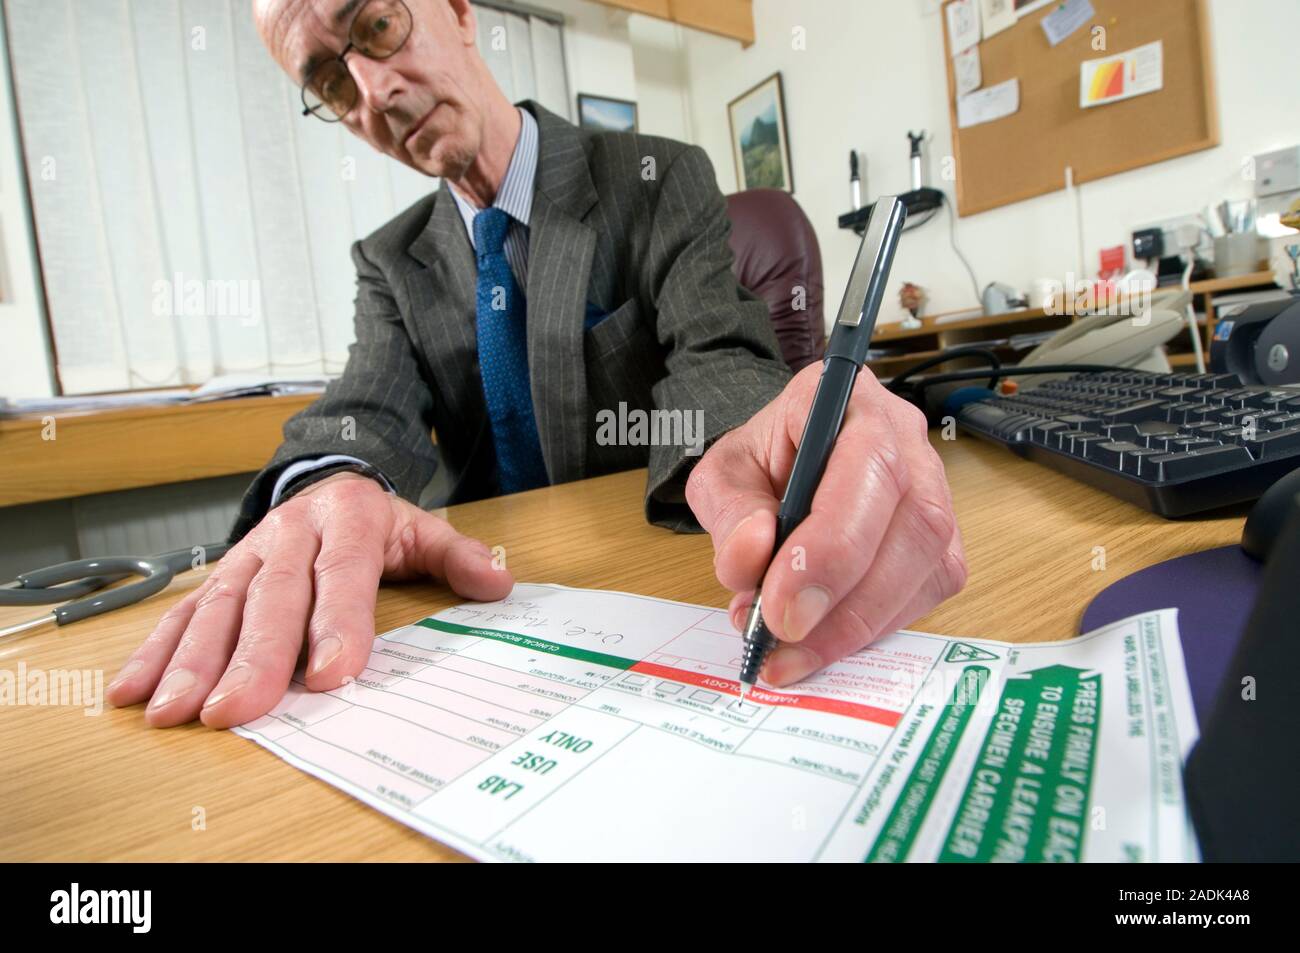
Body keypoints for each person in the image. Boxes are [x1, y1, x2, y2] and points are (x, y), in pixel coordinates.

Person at [106, 0, 966, 728]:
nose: (372, 90)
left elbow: (719, 361)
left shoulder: (655, 179)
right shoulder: (390, 260)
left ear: (458, 11)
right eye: (330, 81)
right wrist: (329, 483)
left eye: (373, 23)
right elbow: (365, 407)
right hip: (487, 636)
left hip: (658, 599)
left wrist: (758, 448)